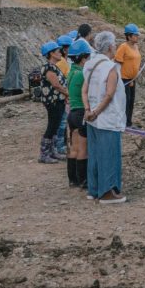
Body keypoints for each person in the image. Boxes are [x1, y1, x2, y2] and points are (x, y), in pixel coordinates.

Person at [82, 32, 128, 204]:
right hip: (107, 118)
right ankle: (107, 192)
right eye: (114, 45)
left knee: (94, 154)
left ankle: (94, 190)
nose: (115, 47)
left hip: (92, 118)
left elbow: (84, 90)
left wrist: (89, 110)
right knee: (109, 153)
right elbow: (109, 95)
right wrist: (97, 112)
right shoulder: (110, 67)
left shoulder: (90, 64)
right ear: (109, 47)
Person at [65, 38, 92, 188]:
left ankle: (73, 179)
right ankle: (83, 180)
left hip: (73, 113)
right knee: (83, 149)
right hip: (82, 112)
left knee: (74, 148)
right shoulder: (83, 74)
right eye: (87, 57)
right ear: (83, 57)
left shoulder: (71, 72)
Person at [37, 41, 69, 164]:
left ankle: (52, 151)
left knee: (55, 126)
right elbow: (56, 85)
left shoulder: (54, 67)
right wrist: (68, 94)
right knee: (52, 126)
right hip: (53, 101)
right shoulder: (49, 68)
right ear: (51, 54)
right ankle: (44, 154)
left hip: (58, 100)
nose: (60, 53)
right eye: (57, 51)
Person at [114, 23, 142, 127]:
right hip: (124, 80)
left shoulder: (136, 47)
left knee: (131, 101)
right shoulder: (123, 47)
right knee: (125, 101)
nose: (137, 37)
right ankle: (123, 122)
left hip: (132, 79)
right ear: (129, 36)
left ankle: (128, 122)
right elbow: (117, 63)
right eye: (135, 35)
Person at [53, 34, 73, 156]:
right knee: (61, 123)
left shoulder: (63, 62)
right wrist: (67, 94)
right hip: (61, 97)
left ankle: (59, 146)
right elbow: (62, 82)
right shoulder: (62, 63)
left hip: (61, 96)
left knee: (60, 123)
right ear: (65, 49)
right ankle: (59, 147)